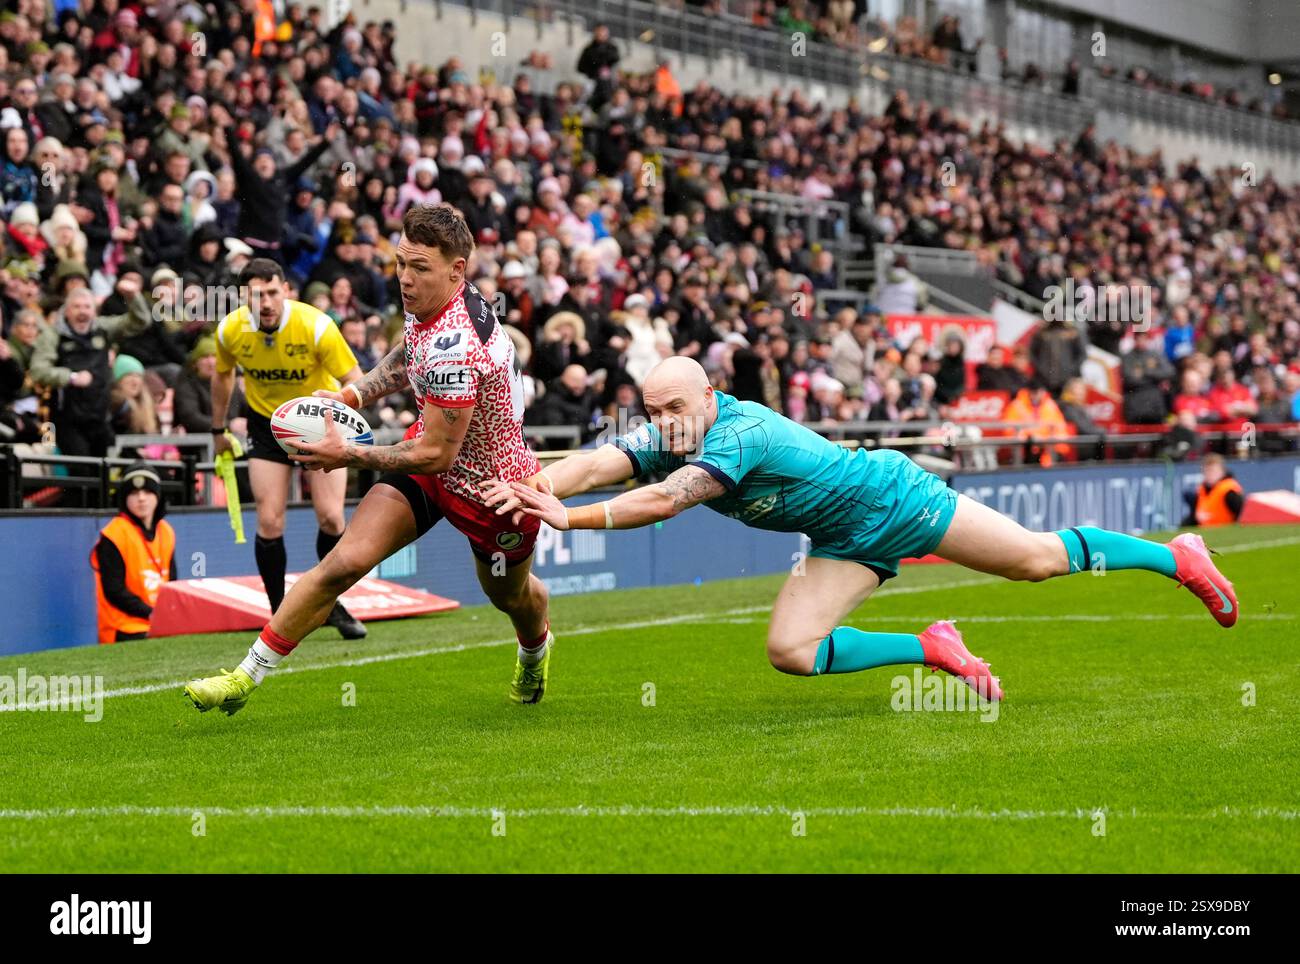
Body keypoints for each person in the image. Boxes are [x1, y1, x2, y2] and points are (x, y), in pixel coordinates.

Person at [486, 357, 1239, 701]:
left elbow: (662, 503)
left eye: (675, 409)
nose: (663, 424)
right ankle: (932, 647)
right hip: (844, 540)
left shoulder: (740, 433)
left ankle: (1175, 556)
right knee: (791, 651)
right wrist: (536, 484)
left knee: (1035, 562)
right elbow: (598, 462)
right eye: (653, 413)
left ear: (710, 398)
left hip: (895, 499)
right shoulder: (671, 431)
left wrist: (567, 517)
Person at [185, 203, 553, 716]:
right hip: (430, 467)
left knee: (511, 597)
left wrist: (347, 455)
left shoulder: (458, 346)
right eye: (400, 262)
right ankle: (243, 677)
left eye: (418, 267)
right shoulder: (435, 300)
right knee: (344, 563)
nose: (404, 278)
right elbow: (409, 353)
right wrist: (352, 395)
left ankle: (535, 651)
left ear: (457, 270)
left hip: (493, 491)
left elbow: (435, 453)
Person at [209, 258, 367, 638]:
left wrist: (343, 428)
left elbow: (356, 379)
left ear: (286, 291)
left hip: (319, 422)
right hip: (266, 424)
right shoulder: (230, 330)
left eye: (271, 293)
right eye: (256, 295)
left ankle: (328, 602)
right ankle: (280, 614)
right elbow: (222, 375)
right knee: (269, 520)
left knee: (332, 519)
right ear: (243, 297)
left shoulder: (316, 326)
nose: (265, 303)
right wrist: (217, 429)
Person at [90, 463, 177, 644]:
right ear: (124, 498)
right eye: (134, 493)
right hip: (123, 628)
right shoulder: (113, 534)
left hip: (158, 621)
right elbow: (114, 591)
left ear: (158, 496)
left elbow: (172, 584)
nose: (141, 498)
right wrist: (152, 613)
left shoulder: (166, 531)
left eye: (148, 492)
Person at [1182, 453, 1244, 527]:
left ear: (1222, 471)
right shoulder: (1201, 491)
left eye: (1213, 471)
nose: (1210, 474)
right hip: (1205, 529)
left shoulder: (1229, 491)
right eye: (1207, 471)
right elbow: (1194, 517)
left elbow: (1242, 515)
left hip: (1225, 529)